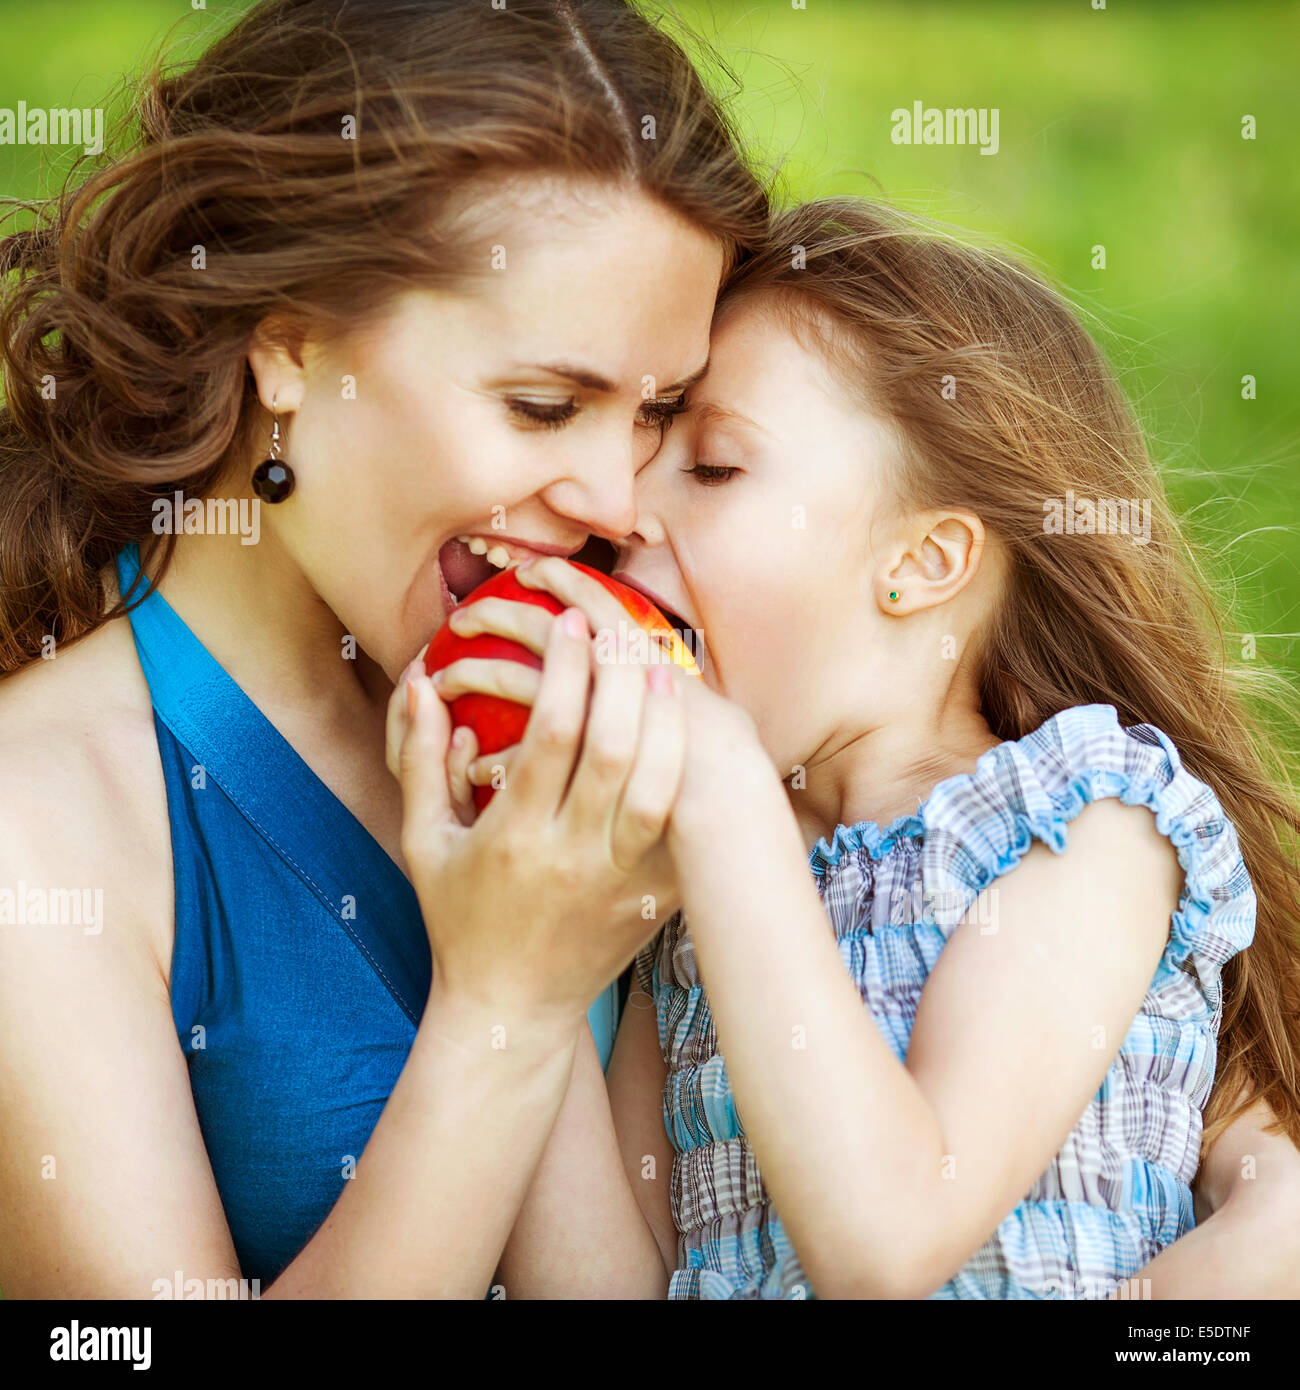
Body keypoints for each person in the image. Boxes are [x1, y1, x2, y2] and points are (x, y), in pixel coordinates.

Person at [0, 0, 768, 1296]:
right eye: (542, 403)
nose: (620, 499)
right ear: (291, 346)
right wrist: (509, 1004)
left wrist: (1242, 1145)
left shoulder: (613, 680)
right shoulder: (46, 824)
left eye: (659, 411)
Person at [439, 198, 1300, 1298]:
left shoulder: (1081, 821)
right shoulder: (688, 893)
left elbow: (889, 1241)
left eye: (710, 468)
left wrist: (727, 802)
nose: (625, 509)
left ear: (923, 563)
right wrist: (535, 959)